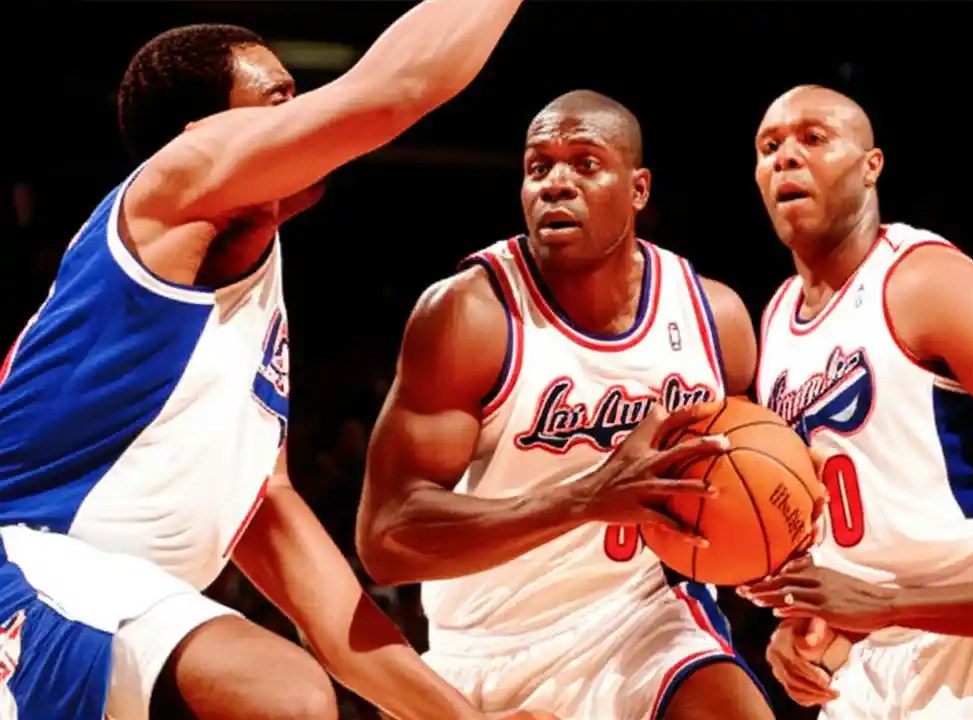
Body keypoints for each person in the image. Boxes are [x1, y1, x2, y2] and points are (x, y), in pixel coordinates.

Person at [0, 5, 549, 719]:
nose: (306, 117)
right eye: (278, 100)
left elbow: (335, 623)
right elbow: (402, 83)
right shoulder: (172, 186)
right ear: (207, 136)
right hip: (24, 564)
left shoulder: (249, 339)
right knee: (280, 693)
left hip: (102, 615)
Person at [356, 89, 778, 720]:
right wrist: (583, 500)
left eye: (585, 163)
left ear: (638, 190)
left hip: (639, 622)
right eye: (538, 167)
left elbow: (759, 486)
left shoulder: (713, 319)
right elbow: (385, 537)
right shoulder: (470, 315)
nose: (555, 184)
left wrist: (785, 582)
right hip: (482, 642)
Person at [737, 84, 973, 719]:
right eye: (769, 146)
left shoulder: (924, 279)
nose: (785, 157)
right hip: (869, 657)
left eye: (813, 139)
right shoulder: (777, 316)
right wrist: (805, 623)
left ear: (872, 167)